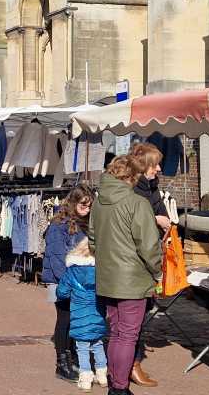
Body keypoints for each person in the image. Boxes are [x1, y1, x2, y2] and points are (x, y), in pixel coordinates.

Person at [89, 155, 162, 395]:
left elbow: (92, 241)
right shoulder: (136, 202)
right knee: (127, 335)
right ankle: (119, 387)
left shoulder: (99, 202)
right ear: (132, 176)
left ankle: (116, 383)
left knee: (117, 333)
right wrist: (157, 271)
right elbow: (149, 245)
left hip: (108, 276)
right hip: (131, 278)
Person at [41, 184, 94, 383]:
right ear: (74, 202)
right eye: (83, 205)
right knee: (65, 319)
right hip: (61, 281)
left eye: (89, 206)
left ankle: (72, 357)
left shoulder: (85, 223)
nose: (87, 210)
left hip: (80, 281)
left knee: (75, 320)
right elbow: (56, 257)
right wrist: (69, 283)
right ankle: (61, 364)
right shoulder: (58, 224)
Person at [127, 142, 170, 387]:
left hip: (149, 259)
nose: (160, 169)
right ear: (144, 166)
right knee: (134, 318)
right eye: (155, 164)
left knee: (142, 314)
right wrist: (154, 218)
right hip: (135, 262)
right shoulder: (133, 190)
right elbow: (129, 219)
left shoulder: (151, 187)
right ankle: (131, 365)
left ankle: (131, 362)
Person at [56, 238, 108, 391]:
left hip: (79, 316)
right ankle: (102, 375)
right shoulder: (102, 270)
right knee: (98, 344)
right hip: (98, 314)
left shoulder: (72, 271)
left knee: (82, 347)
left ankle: (85, 378)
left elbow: (62, 292)